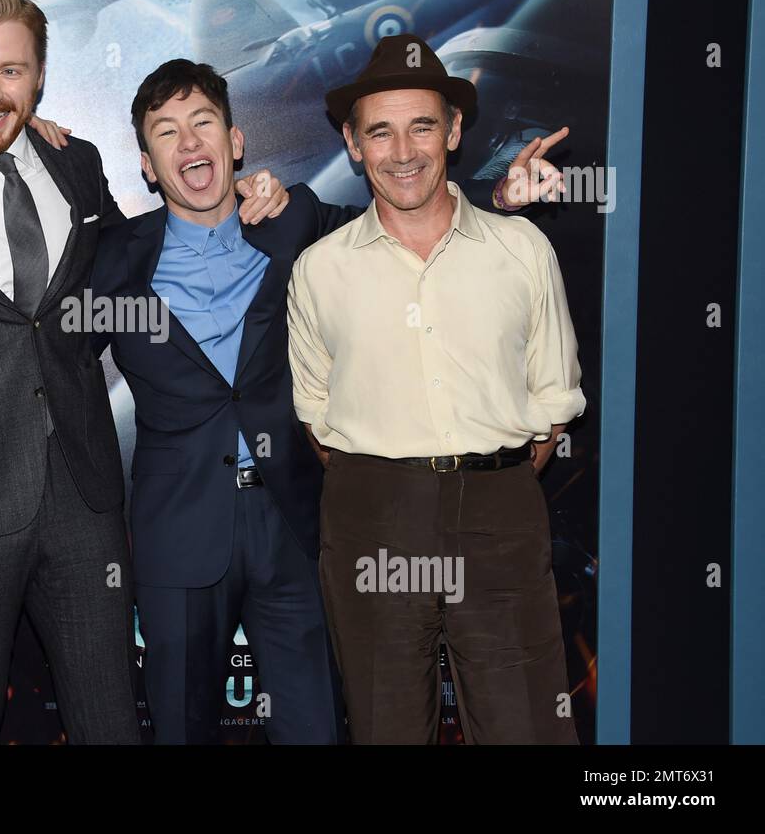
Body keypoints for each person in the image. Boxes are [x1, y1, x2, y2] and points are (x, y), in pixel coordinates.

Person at [0, 0, 289, 744]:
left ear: (38, 75)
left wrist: (257, 197)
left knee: (110, 723)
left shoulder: (77, 166)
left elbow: (146, 259)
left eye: (12, 72)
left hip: (87, 499)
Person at [89, 58, 554, 744]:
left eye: (203, 124)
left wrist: (501, 195)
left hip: (299, 528)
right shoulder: (111, 258)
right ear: (148, 165)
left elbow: (408, 214)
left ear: (236, 141)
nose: (189, 144)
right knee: (178, 731)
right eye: (166, 133)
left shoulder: (297, 219)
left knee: (316, 728)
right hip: (179, 531)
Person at [286, 33, 584, 744]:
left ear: (452, 131)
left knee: (529, 728)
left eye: (422, 125)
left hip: (502, 517)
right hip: (370, 518)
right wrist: (397, 480)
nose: (403, 150)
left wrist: (489, 476)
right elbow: (318, 420)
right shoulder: (320, 270)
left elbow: (554, 398)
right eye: (379, 131)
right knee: (386, 726)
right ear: (353, 145)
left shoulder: (522, 250)